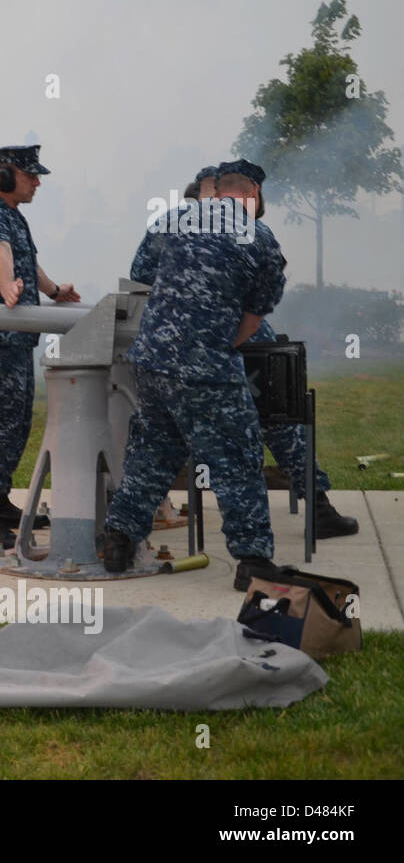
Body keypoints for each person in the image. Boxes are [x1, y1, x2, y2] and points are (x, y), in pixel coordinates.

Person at [128, 165, 357, 540]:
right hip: (232, 335)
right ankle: (314, 508)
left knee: (276, 419)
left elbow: (145, 272)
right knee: (273, 421)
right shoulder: (233, 222)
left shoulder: (186, 221)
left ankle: (317, 505)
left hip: (205, 340)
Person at [104, 160, 285, 577]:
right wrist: (212, 343)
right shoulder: (259, 236)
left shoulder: (172, 218)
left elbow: (141, 276)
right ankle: (253, 562)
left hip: (151, 362)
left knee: (151, 454)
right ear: (253, 195)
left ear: (217, 191)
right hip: (209, 369)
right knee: (237, 461)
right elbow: (254, 317)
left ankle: (118, 541)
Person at [0, 144, 80, 549]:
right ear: (4, 177)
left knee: (15, 424)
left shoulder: (13, 216)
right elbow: (2, 256)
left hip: (15, 341)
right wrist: (6, 286)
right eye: (31, 175)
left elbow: (27, 260)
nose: (37, 182)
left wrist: (53, 290)